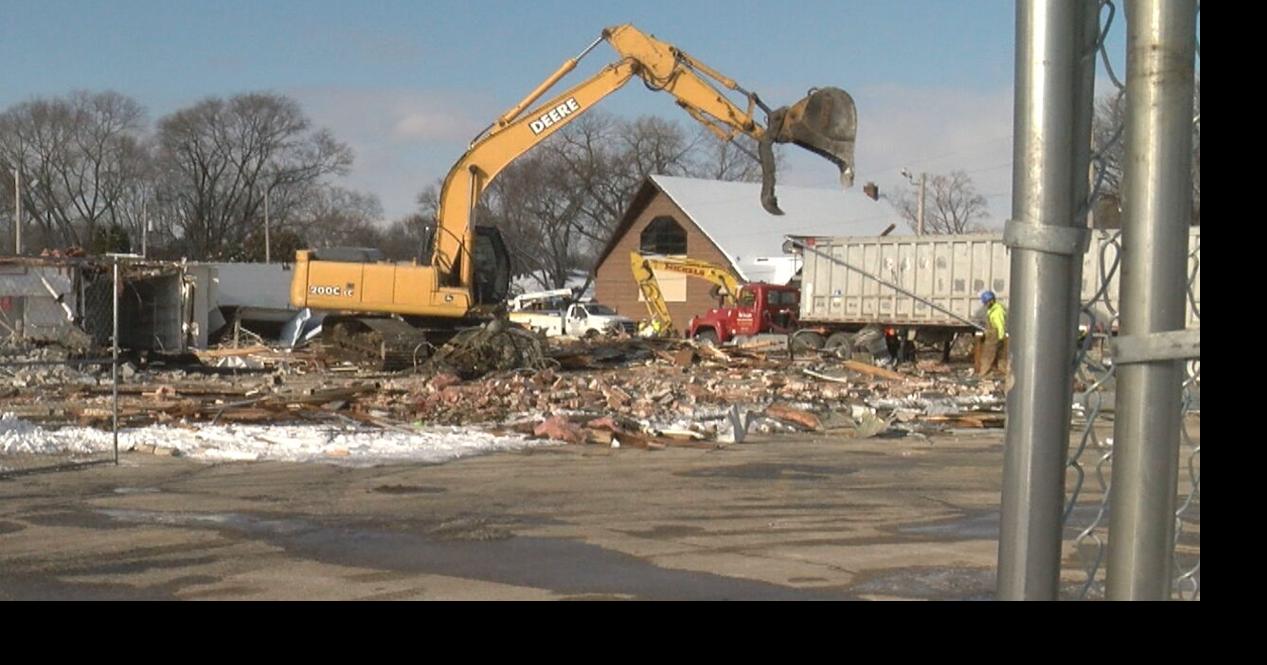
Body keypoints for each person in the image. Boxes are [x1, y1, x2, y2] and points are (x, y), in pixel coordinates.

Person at [977, 290, 1007, 377]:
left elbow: (1000, 324)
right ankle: (1002, 372)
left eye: (986, 302)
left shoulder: (997, 311)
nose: (986, 305)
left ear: (991, 301)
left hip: (994, 335)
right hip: (992, 334)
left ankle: (984, 373)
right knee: (1000, 356)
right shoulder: (992, 309)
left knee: (987, 355)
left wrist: (1001, 337)